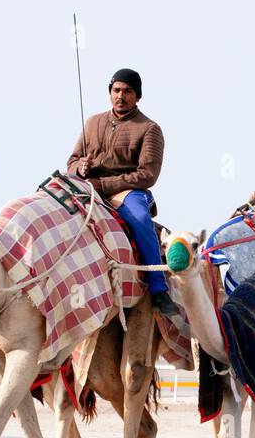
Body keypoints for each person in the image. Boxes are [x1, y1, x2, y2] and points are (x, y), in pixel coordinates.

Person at [68, 67, 179, 316]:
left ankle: (158, 289)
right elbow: (72, 161)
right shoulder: (93, 122)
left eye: (128, 91)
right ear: (110, 93)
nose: (121, 95)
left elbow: (147, 175)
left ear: (137, 96)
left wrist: (104, 185)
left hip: (127, 192)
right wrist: (79, 167)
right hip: (88, 188)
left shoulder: (149, 129)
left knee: (140, 220)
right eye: (116, 90)